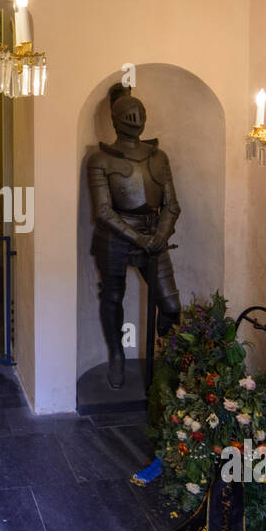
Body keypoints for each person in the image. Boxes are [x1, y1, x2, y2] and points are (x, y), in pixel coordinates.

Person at [86, 83, 182, 389]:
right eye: (127, 114)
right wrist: (138, 239)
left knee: (171, 306)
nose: (134, 119)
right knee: (113, 297)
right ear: (115, 119)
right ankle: (117, 355)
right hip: (115, 237)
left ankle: (165, 358)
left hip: (154, 233)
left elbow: (171, 205)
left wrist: (160, 235)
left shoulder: (159, 157)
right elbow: (103, 210)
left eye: (138, 113)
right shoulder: (100, 160)